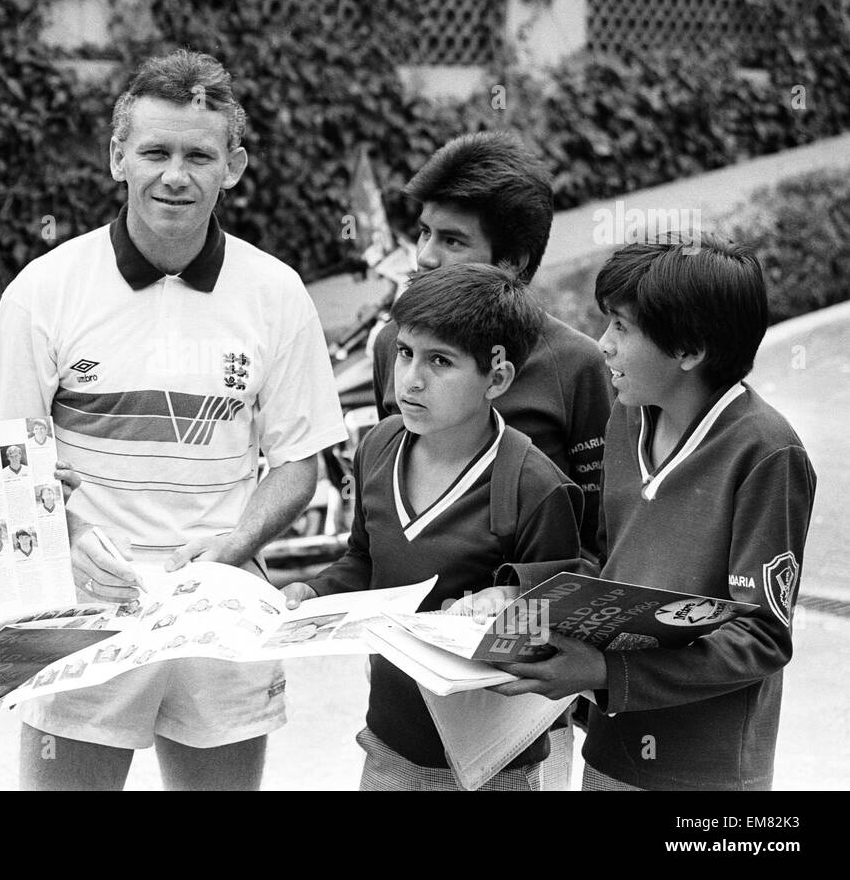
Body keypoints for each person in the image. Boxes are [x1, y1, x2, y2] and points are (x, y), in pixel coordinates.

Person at [0, 49, 346, 791]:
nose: (176, 174)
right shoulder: (43, 291)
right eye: (155, 151)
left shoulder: (277, 293)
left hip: (221, 616)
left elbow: (301, 461)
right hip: (81, 615)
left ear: (233, 164)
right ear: (118, 157)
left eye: (199, 153)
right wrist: (71, 539)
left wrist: (230, 550)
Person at [490, 236, 817, 791]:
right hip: (610, 752)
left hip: (703, 773)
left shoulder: (766, 454)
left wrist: (606, 672)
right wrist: (515, 602)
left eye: (620, 327)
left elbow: (762, 635)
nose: (603, 345)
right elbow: (606, 565)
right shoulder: (626, 418)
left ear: (688, 350)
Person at [366, 131, 611, 788]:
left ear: (516, 260)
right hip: (399, 712)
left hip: (519, 712)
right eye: (421, 233)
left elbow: (599, 550)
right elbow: (383, 515)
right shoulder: (396, 345)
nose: (421, 256)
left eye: (451, 241)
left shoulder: (577, 367)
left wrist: (514, 606)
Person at [283, 264, 585, 791]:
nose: (412, 379)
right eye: (405, 353)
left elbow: (555, 622)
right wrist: (311, 592)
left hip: (494, 763)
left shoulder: (536, 486)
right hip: (390, 745)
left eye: (440, 361)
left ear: (497, 378)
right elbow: (363, 559)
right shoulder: (377, 447)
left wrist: (499, 610)